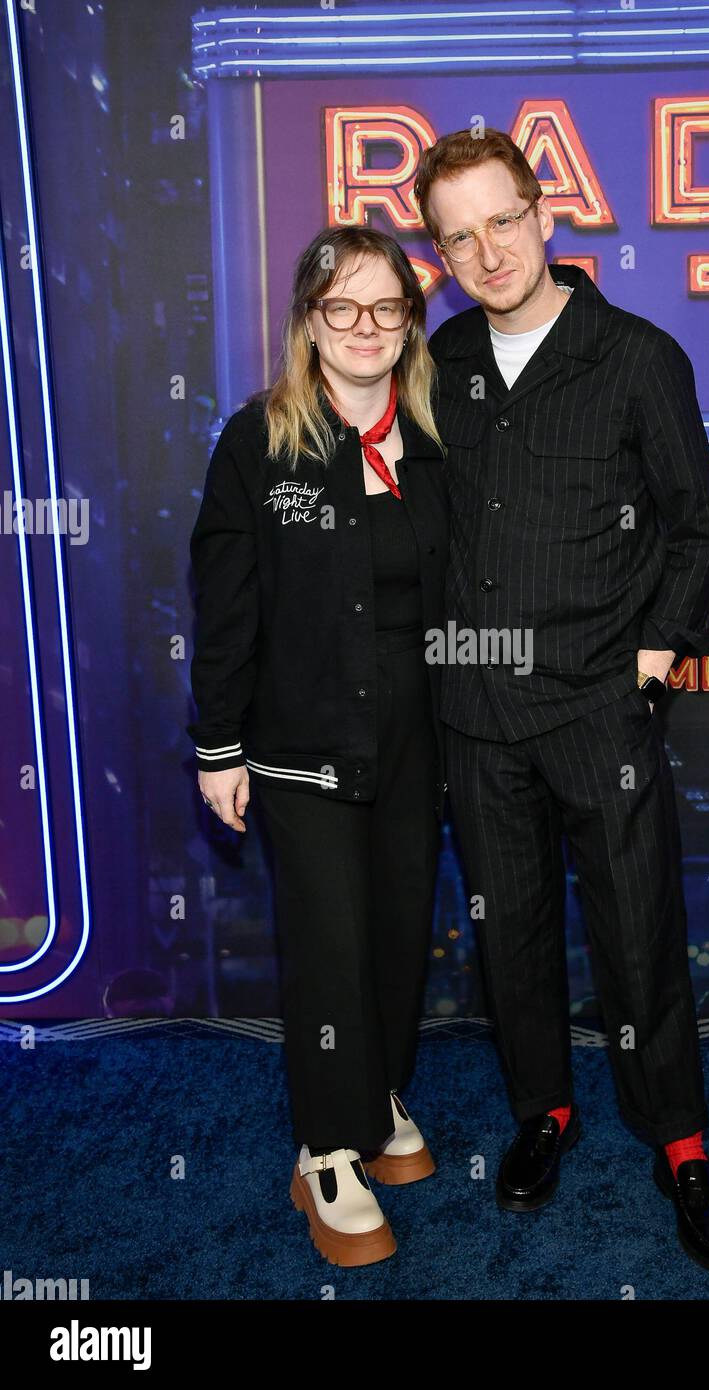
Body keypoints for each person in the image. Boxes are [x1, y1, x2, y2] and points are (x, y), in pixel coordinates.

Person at [414, 130, 709, 1272]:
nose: (486, 250)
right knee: (510, 935)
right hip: (472, 710)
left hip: (602, 703)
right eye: (458, 235)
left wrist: (652, 661)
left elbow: (695, 528)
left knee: (640, 931)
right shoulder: (440, 360)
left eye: (502, 219)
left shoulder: (638, 357)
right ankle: (540, 1114)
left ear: (543, 211)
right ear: (442, 251)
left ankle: (683, 1143)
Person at [186, 226, 449, 1268]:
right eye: (343, 307)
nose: (366, 328)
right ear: (308, 319)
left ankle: (376, 1091)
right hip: (297, 744)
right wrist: (218, 748)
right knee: (331, 940)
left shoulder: (434, 440)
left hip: (413, 741)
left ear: (410, 324)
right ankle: (325, 1146)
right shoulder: (258, 442)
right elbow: (224, 610)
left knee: (395, 928)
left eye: (388, 308)